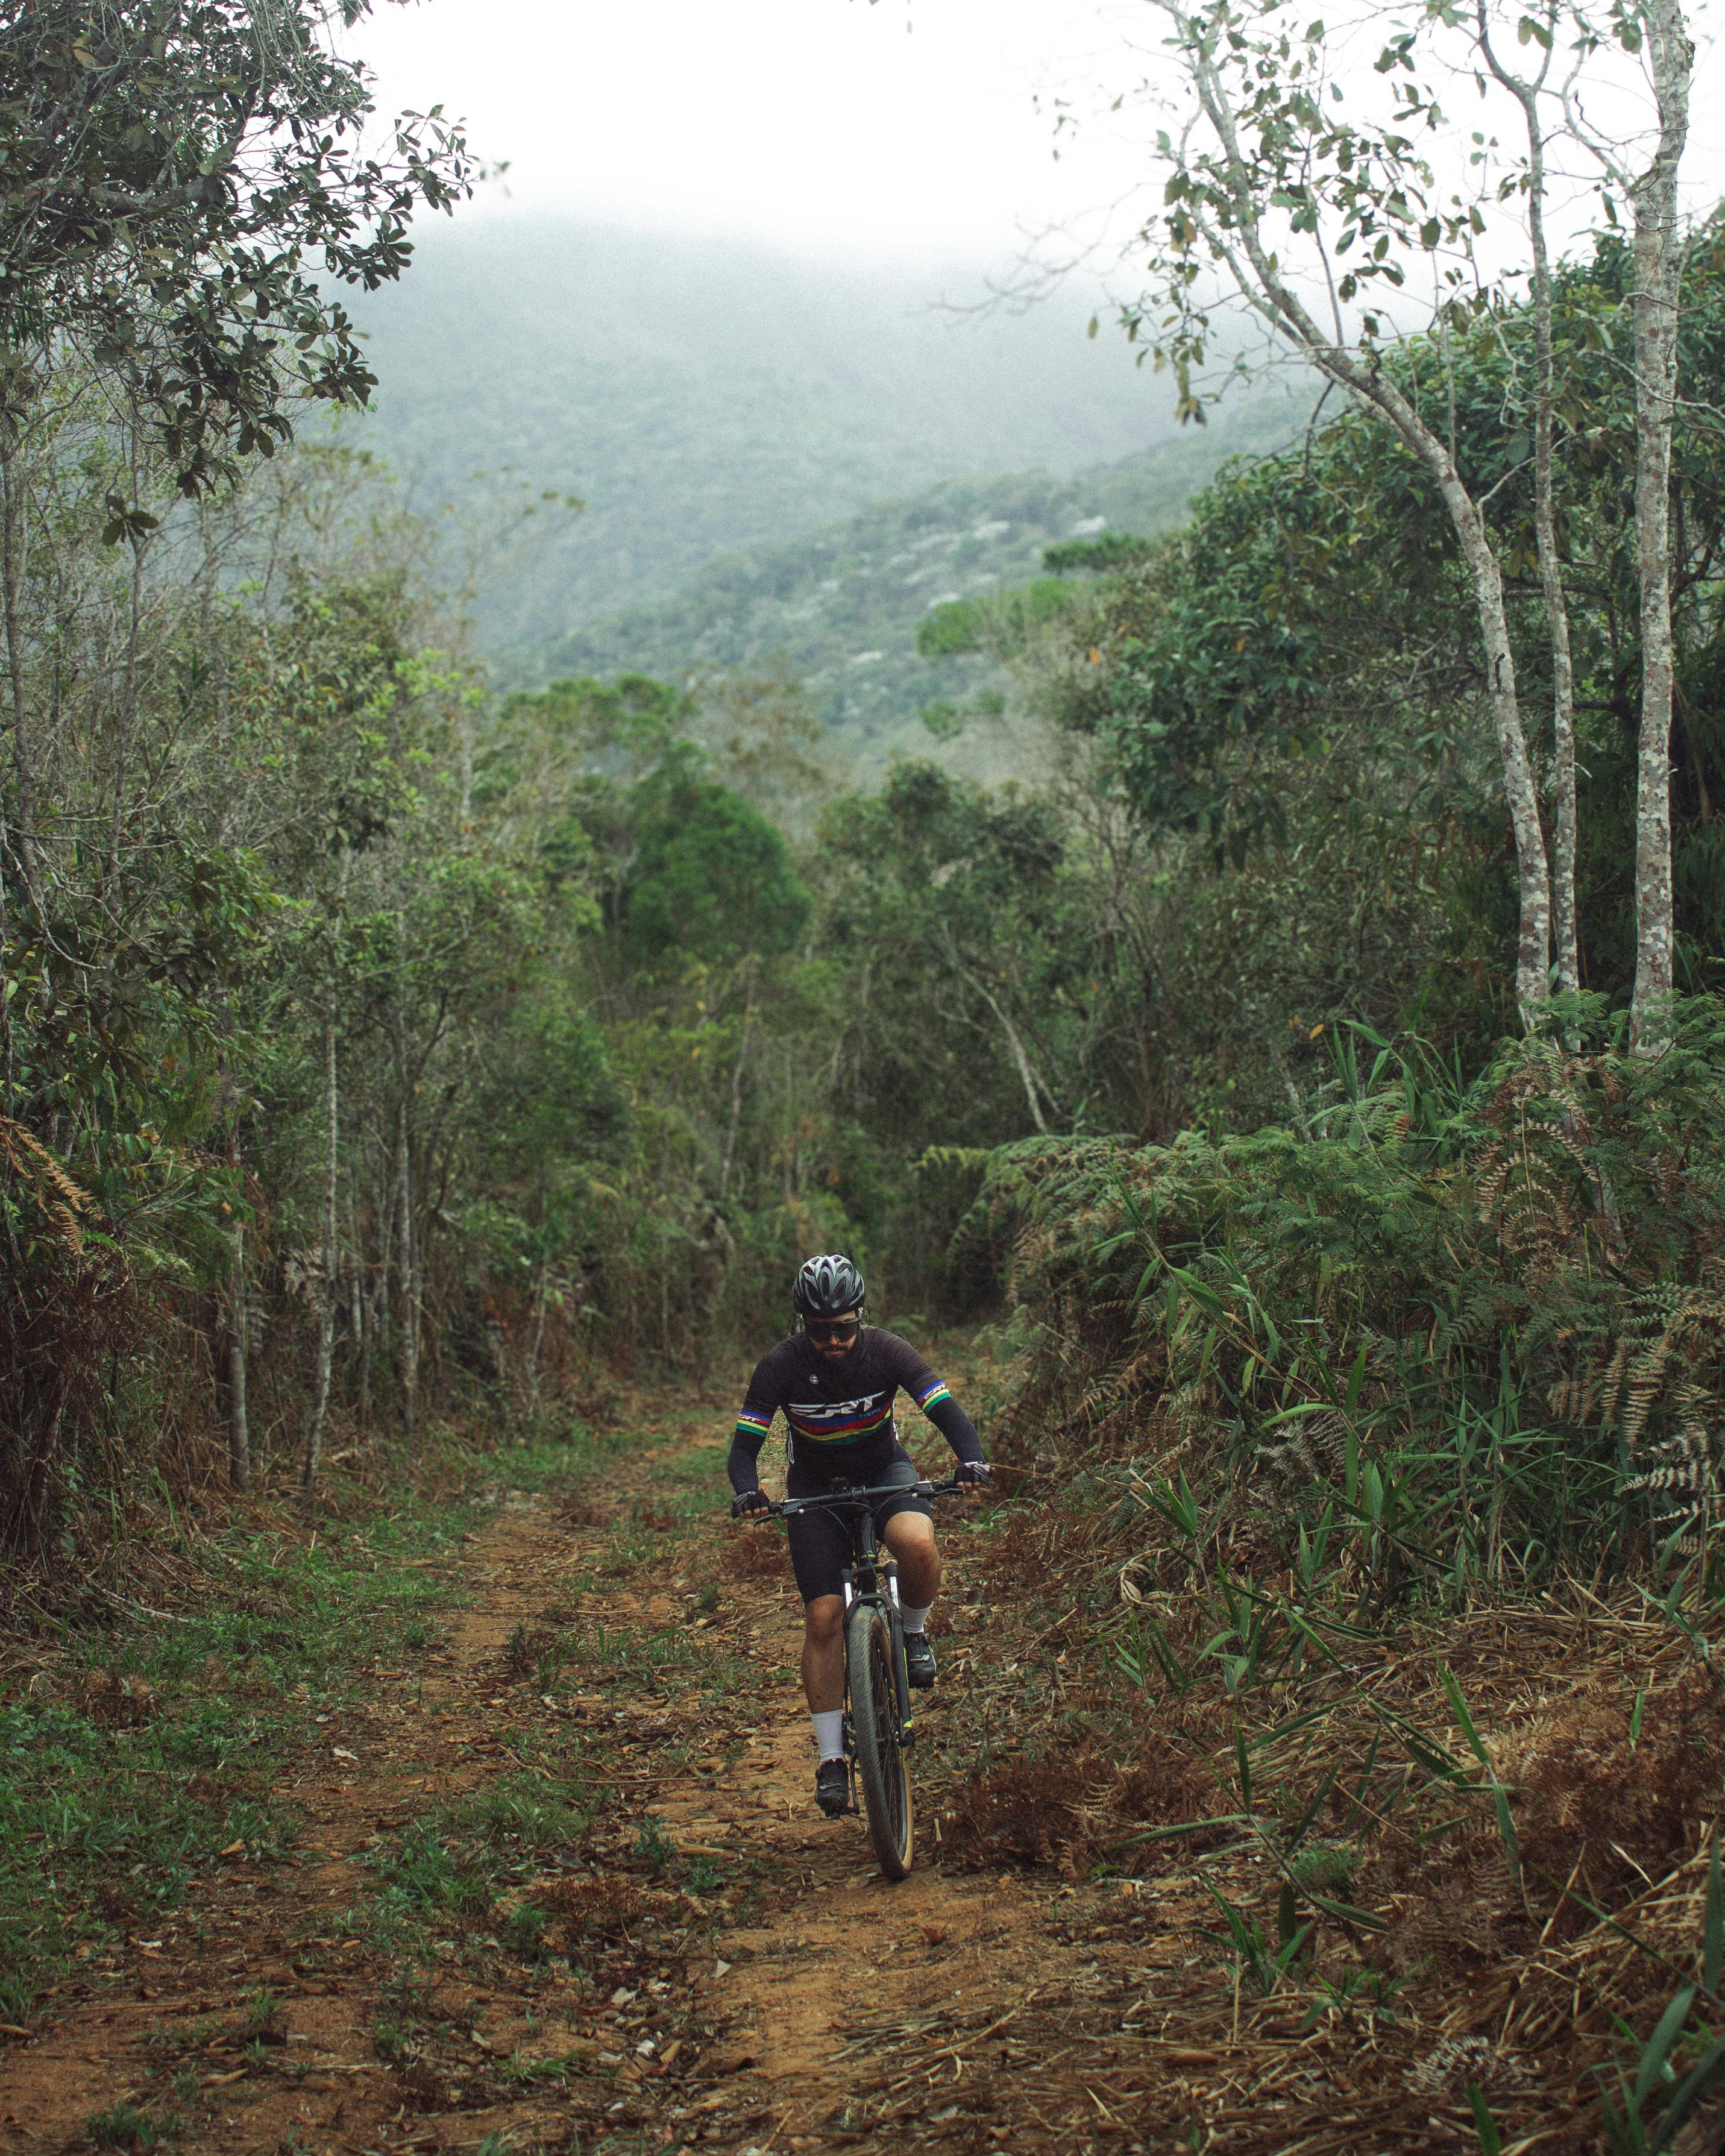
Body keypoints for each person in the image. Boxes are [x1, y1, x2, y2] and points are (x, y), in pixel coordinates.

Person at [727, 1252, 991, 1817]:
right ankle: (830, 1759)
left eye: (844, 1328)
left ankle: (913, 1632)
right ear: (802, 1323)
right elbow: (746, 1446)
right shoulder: (779, 1365)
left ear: (860, 1316)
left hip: (884, 1471)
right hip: (815, 1486)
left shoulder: (889, 1350)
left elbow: (944, 1409)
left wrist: (971, 1458)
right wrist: (749, 1490)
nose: (832, 1341)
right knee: (823, 1616)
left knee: (916, 1543)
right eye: (819, 1330)